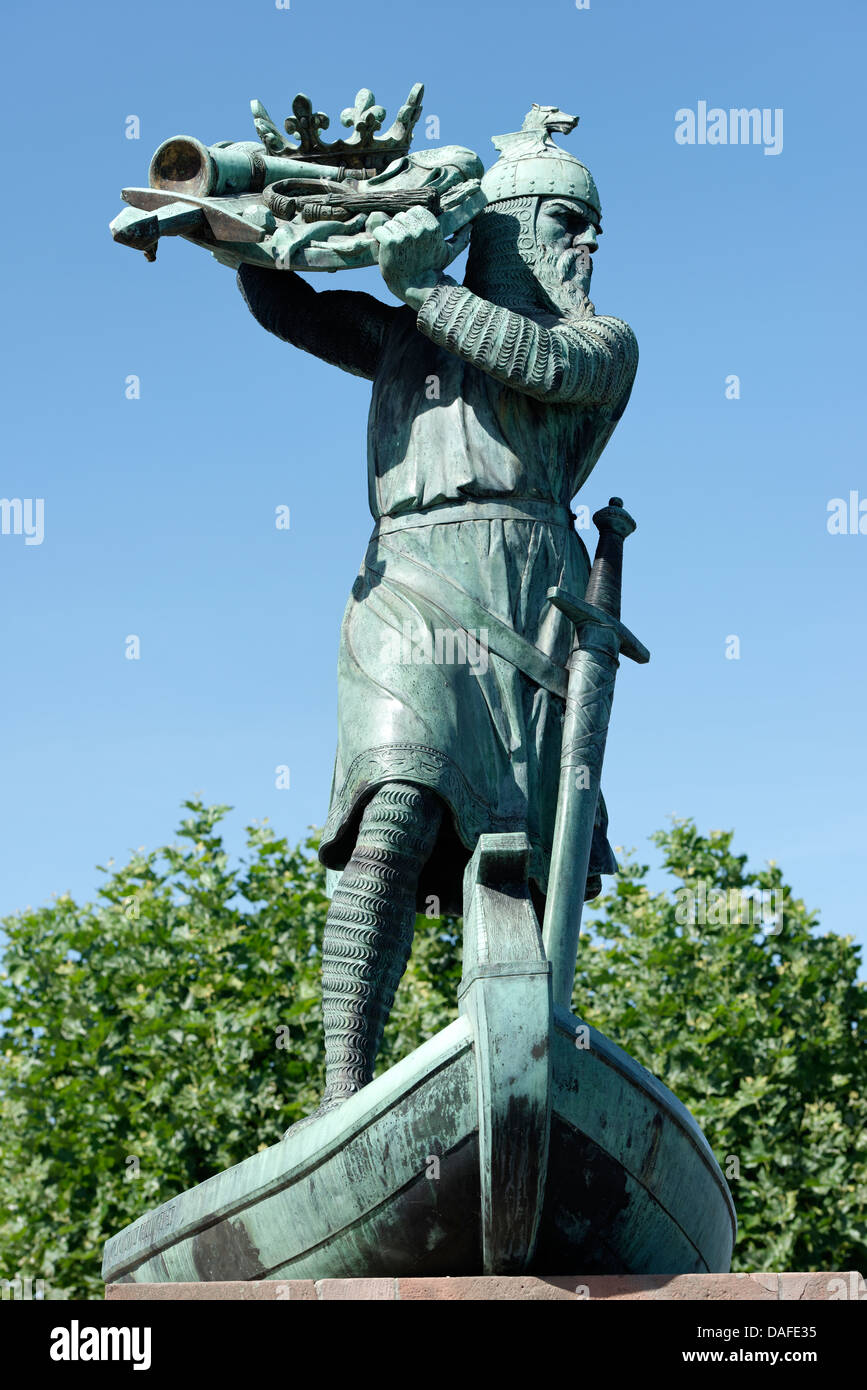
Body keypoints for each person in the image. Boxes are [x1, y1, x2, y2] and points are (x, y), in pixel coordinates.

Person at [237, 105, 638, 1121]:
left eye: (588, 226)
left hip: (532, 600)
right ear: (505, 231)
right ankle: (341, 1096)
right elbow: (287, 309)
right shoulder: (399, 339)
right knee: (394, 807)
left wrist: (418, 282)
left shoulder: (603, 342)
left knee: (522, 865)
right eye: (563, 222)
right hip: (411, 587)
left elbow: (541, 364)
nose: (586, 244)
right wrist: (257, 220)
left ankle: (515, 1080)